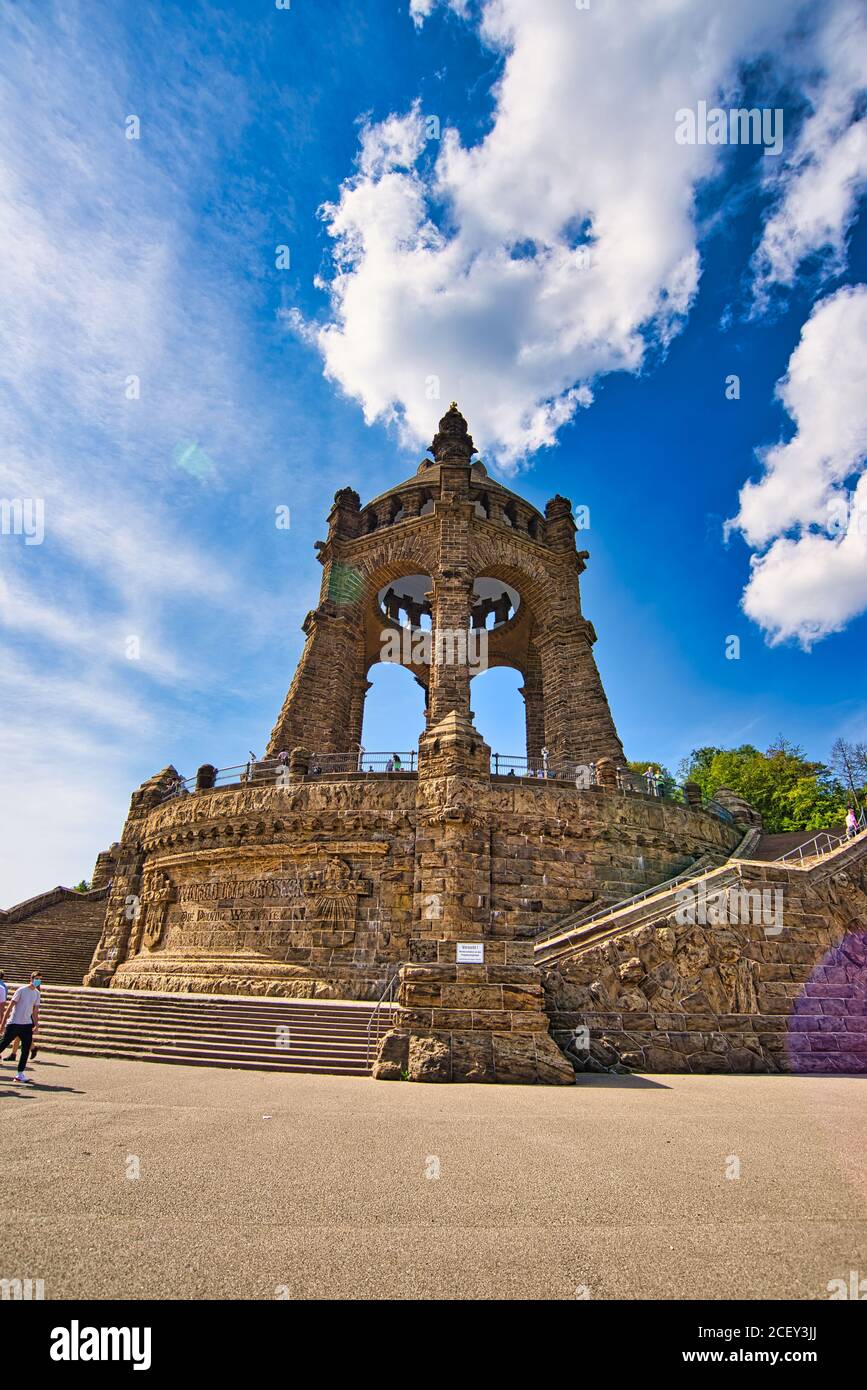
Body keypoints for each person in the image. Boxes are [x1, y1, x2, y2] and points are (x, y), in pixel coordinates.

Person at [0, 971, 42, 1083]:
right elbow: (10, 1007)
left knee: (25, 1050)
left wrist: (36, 1025)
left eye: (40, 979)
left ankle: (20, 1074)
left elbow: (35, 1011)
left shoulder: (37, 993)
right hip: (14, 1023)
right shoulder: (21, 990)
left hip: (27, 1025)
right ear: (31, 978)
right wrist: (3, 1024)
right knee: (2, 1044)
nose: (38, 981)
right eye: (36, 978)